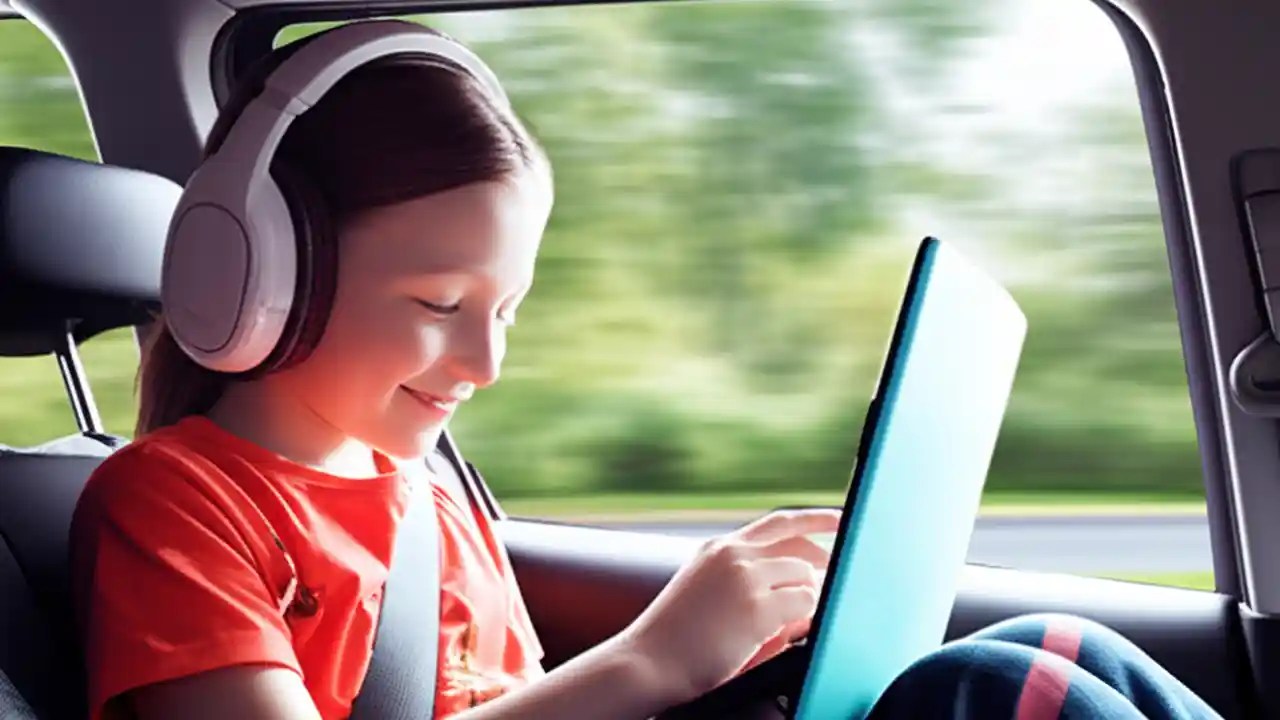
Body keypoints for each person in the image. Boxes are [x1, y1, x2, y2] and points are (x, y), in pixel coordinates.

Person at [67, 18, 1224, 720]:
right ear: (263, 273)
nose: (483, 359)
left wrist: (729, 662)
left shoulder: (417, 493)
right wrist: (654, 659)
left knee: (1048, 649)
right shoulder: (173, 504)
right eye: (437, 306)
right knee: (975, 701)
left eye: (508, 309)